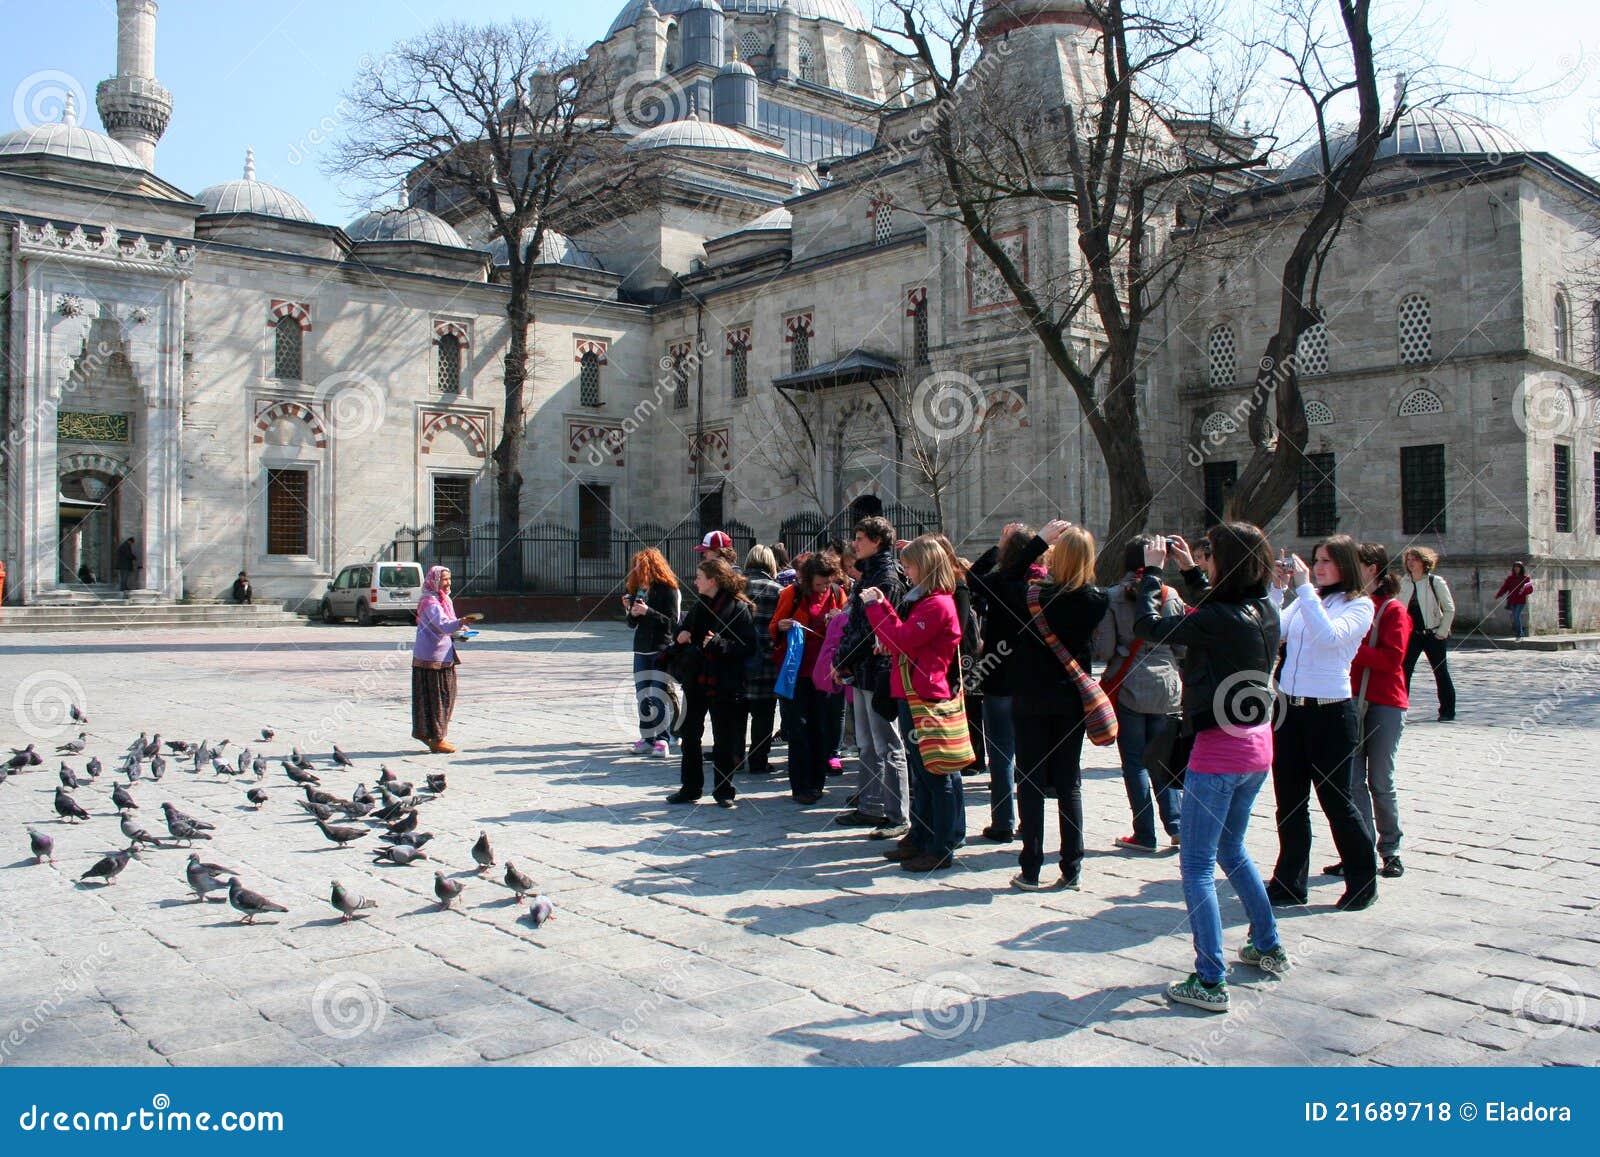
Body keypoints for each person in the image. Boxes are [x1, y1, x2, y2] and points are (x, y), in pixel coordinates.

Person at [1134, 526, 1288, 1014]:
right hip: (1257, 747)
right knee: (1232, 848)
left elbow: (1150, 629)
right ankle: (1267, 943)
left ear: (1225, 562)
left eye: (1210, 556)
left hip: (1218, 753)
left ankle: (1209, 978)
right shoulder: (1265, 608)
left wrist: (1151, 575)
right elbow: (1218, 607)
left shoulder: (1221, 617)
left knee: (1198, 864)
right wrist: (1192, 571)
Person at [1266, 534, 1379, 912]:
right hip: (1290, 710)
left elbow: (1329, 638)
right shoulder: (1305, 602)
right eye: (1316, 560)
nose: (1319, 568)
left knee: (1336, 801)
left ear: (1345, 564)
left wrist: (1305, 591)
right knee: (1290, 802)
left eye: (1328, 561)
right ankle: (1289, 882)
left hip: (1330, 712)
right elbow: (1272, 630)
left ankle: (1363, 881)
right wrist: (1276, 589)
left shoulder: (1358, 605)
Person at [995, 520, 1107, 891]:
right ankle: (1071, 866)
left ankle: (1030, 866)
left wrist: (1035, 542)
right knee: (1068, 782)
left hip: (1030, 695)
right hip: (1071, 699)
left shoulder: (1033, 596)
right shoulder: (1096, 599)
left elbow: (997, 577)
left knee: (1029, 781)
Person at [862, 535, 967, 872]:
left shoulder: (938, 604)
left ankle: (940, 847)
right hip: (913, 694)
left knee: (935, 776)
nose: (905, 571)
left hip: (926, 697)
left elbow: (901, 640)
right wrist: (886, 607)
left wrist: (877, 607)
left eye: (909, 564)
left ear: (925, 565)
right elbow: (902, 636)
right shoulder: (926, 600)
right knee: (923, 775)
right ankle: (921, 837)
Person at [1093, 536, 1184, 853]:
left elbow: (1103, 649)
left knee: (1134, 762)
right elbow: (1182, 644)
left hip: (1129, 683)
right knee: (1164, 760)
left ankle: (1144, 831)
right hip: (1166, 686)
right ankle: (1176, 824)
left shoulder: (1113, 596)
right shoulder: (1171, 595)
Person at [1333, 543, 1410, 880]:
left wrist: (1350, 646)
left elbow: (1392, 660)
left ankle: (1390, 851)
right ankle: (1358, 851)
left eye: (1355, 563)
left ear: (1373, 568)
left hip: (1384, 702)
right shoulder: (1346, 605)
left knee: (1380, 780)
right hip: (1346, 700)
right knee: (1351, 782)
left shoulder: (1391, 610)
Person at [831, 516, 910, 839]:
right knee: (866, 744)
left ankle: (897, 813)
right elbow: (855, 624)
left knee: (888, 743)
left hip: (878, 672)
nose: (855, 543)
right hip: (862, 670)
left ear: (877, 541)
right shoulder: (869, 574)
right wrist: (843, 660)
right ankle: (871, 803)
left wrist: (844, 660)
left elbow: (873, 630)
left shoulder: (886, 577)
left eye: (861, 538)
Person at [966, 523, 1041, 844]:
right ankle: (1029, 820)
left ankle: (1003, 821)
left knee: (1001, 755)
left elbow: (971, 579)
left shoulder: (999, 582)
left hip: (999, 677)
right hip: (1031, 678)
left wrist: (997, 549)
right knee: (1028, 756)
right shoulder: (1043, 584)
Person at [667, 557, 759, 809]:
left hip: (724, 682)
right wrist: (680, 635)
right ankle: (690, 787)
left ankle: (724, 790)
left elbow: (749, 648)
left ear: (713, 580)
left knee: (724, 739)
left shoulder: (738, 608)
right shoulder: (699, 606)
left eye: (699, 577)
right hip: (696, 679)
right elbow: (682, 629)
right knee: (690, 735)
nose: (695, 581)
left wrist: (719, 644)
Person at [770, 554, 846, 803]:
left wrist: (838, 620)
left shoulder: (837, 593)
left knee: (820, 727)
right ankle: (801, 786)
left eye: (827, 582)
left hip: (824, 671)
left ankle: (817, 783)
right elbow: (774, 627)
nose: (823, 588)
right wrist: (782, 626)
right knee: (798, 728)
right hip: (796, 672)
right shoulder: (791, 594)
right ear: (808, 580)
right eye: (819, 584)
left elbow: (847, 628)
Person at [412, 566, 481, 754]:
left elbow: (447, 627)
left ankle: (431, 734)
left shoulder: (444, 600)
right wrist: (461, 622)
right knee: (438, 698)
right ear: (434, 581)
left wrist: (460, 632)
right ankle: (436, 738)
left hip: (443, 654)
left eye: (449, 579)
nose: (448, 583)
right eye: (444, 579)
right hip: (432, 657)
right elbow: (443, 624)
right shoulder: (430, 602)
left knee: (442, 696)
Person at [623, 548, 682, 757]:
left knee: (658, 694)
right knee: (642, 695)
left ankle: (663, 739)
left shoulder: (668, 590)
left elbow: (672, 622)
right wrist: (631, 610)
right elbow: (632, 624)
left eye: (640, 568)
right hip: (641, 648)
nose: (637, 572)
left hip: (660, 647)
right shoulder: (640, 590)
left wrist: (648, 611)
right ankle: (647, 737)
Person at [1399, 547, 1456, 722]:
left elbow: (1449, 608)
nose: (1410, 563)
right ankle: (1400, 709)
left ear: (1424, 562)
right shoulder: (1404, 582)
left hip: (1433, 634)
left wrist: (1442, 632)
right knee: (1404, 671)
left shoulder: (1435, 581)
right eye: (1408, 559)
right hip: (1412, 635)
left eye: (1414, 559)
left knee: (1440, 672)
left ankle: (1447, 711)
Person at [741, 546, 783, 774]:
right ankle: (758, 760)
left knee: (736, 714)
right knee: (763, 715)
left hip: (738, 658)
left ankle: (734, 757)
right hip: (767, 660)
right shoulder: (779, 591)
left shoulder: (736, 587)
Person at [1495, 561, 1534, 640]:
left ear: (1521, 568)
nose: (1516, 569)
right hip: (1512, 600)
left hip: (1521, 601)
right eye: (1515, 567)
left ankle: (1519, 634)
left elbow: (1530, 589)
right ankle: (1521, 633)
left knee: (1516, 616)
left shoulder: (1526, 578)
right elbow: (1504, 588)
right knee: (1514, 617)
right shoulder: (1510, 578)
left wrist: (1524, 590)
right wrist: (1498, 595)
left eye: (1518, 567)